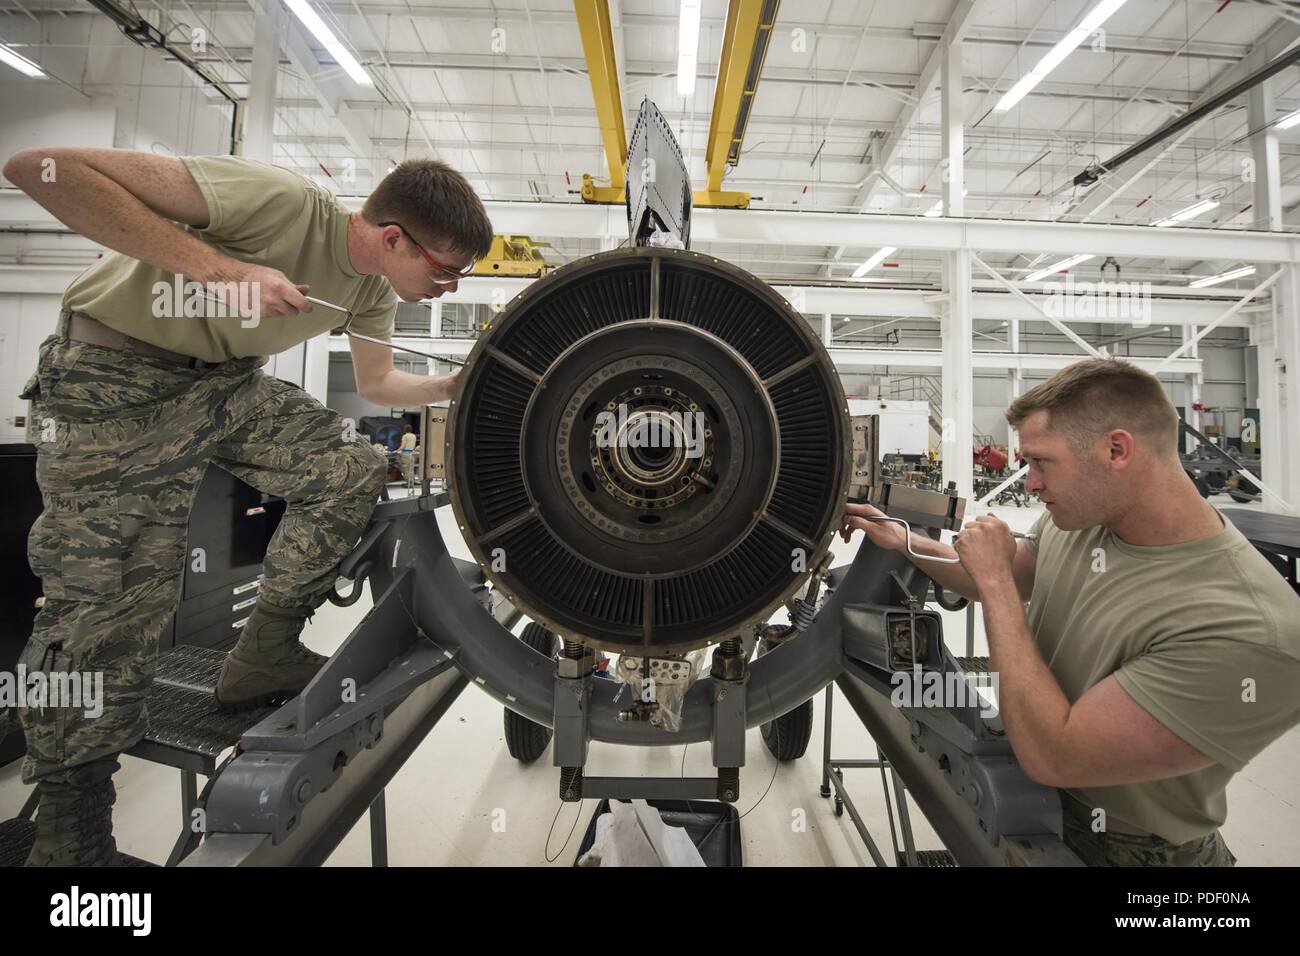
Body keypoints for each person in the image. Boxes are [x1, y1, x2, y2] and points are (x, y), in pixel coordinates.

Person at [3, 146, 494, 865]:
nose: (449, 288)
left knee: (348, 467)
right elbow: (38, 169)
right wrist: (221, 271)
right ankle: (69, 838)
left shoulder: (373, 290)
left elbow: (380, 382)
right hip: (115, 379)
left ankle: (260, 654)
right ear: (395, 239)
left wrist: (460, 383)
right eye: (444, 270)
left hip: (223, 387)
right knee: (103, 611)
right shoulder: (282, 202)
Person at [842, 357, 1300, 866]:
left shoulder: (1250, 627)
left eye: (1041, 462)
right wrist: (905, 541)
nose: (1031, 483)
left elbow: (1055, 754)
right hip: (1030, 803)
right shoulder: (1083, 521)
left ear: (1116, 450)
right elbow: (1011, 569)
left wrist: (994, 584)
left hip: (1131, 852)